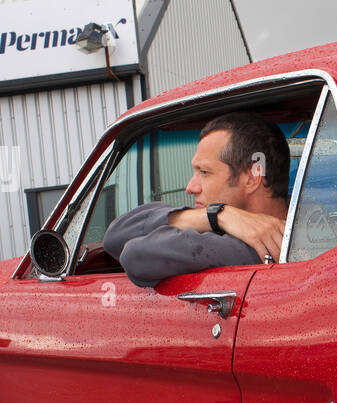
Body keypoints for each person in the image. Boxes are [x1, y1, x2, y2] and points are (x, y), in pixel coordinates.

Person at [103, 112, 291, 287]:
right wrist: (219, 216)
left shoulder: (254, 246)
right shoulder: (304, 227)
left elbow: (134, 255)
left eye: (204, 172)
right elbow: (114, 237)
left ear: (252, 177)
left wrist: (215, 216)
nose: (190, 187)